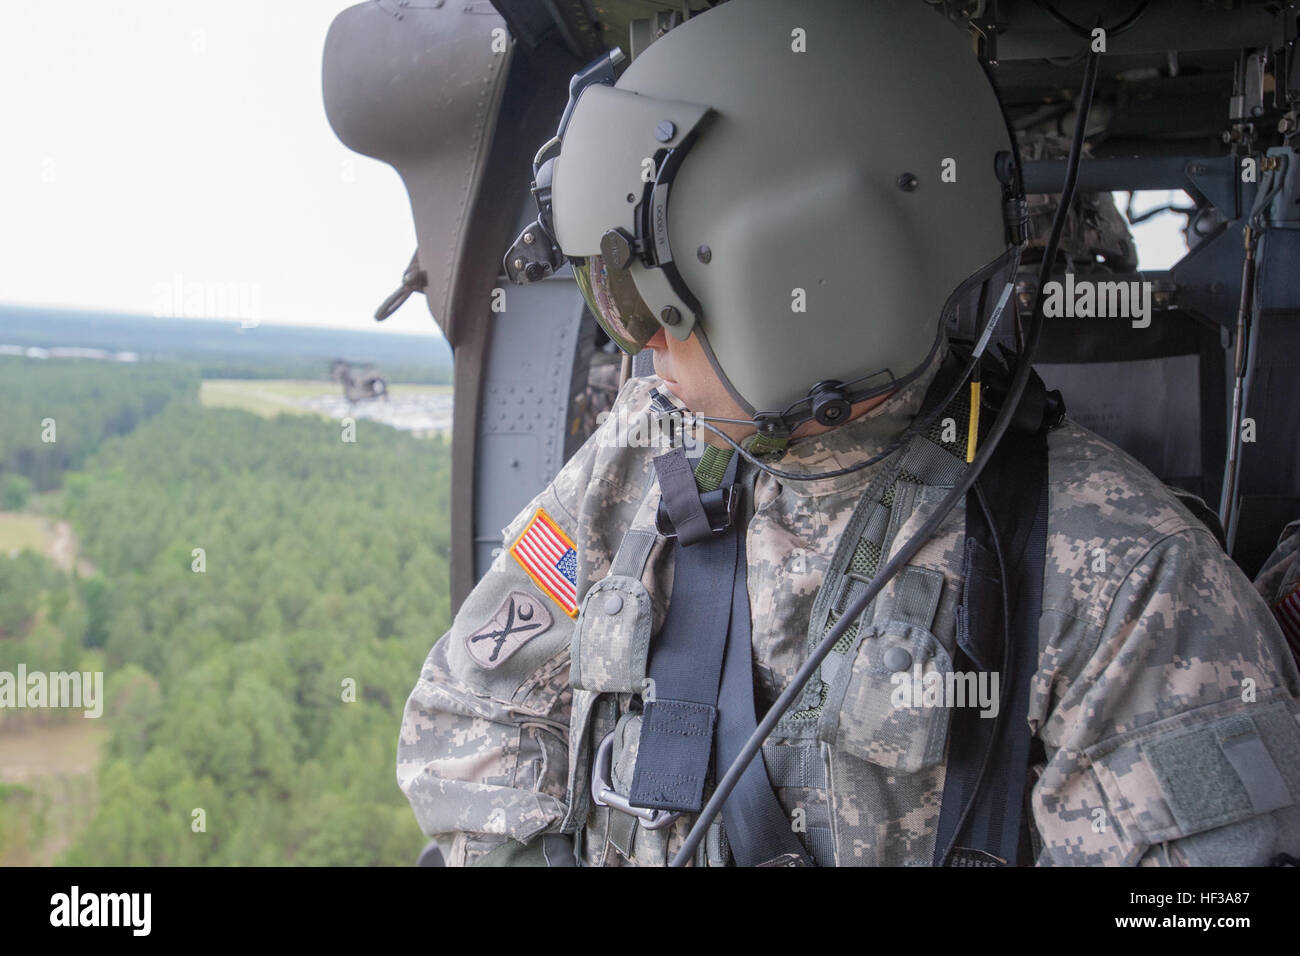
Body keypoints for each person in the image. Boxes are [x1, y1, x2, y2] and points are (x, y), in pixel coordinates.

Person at [397, 0, 1300, 867]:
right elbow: (468, 718)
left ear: (803, 274)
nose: (640, 355)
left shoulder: (1130, 577)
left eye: (649, 305)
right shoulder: (644, 453)